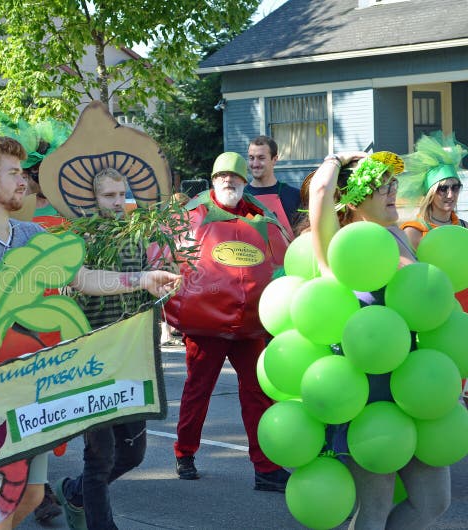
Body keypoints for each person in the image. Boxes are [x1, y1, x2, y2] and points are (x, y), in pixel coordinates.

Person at [0, 135, 180, 529]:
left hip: (33, 382)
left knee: (29, 495)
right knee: (3, 495)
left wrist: (143, 278)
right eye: (14, 172)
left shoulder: (31, 235)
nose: (24, 182)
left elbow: (83, 277)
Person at [308, 151, 450, 528]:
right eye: (379, 184)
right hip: (366, 398)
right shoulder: (337, 247)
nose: (392, 190)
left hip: (417, 390)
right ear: (354, 199)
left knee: (434, 501)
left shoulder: (398, 237)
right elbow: (322, 188)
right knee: (374, 509)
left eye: (393, 182)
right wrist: (337, 159)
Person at [165, 152, 291, 491]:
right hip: (206, 325)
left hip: (250, 325)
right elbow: (167, 255)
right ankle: (185, 452)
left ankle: (265, 468)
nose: (228, 181)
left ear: (243, 180)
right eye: (221, 175)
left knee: (258, 393)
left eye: (234, 176)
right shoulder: (194, 214)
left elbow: (285, 258)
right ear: (212, 178)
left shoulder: (261, 216)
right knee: (197, 390)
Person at [54, 168, 152, 530]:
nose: (116, 202)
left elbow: (144, 294)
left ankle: (74, 492)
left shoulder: (133, 238)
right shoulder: (77, 239)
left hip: (128, 359)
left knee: (133, 453)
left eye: (120, 194)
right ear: (93, 197)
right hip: (91, 361)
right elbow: (71, 294)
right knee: (100, 459)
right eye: (109, 195)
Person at [399, 131, 468, 250]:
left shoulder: (464, 228)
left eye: (455, 187)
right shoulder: (414, 232)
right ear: (430, 193)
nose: (450, 195)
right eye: (443, 188)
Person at [245, 136, 301, 236]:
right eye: (251, 158)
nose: (255, 164)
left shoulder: (294, 196)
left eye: (261, 158)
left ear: (274, 159)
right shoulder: (241, 197)